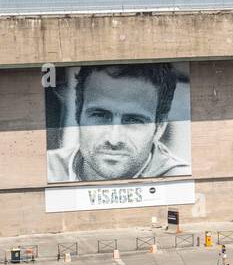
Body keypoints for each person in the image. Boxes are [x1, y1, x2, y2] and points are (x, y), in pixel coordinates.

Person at [47, 64, 189, 183]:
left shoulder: (182, 181)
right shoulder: (45, 171)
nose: (114, 140)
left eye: (133, 120)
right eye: (100, 116)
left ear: (159, 128)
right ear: (78, 115)